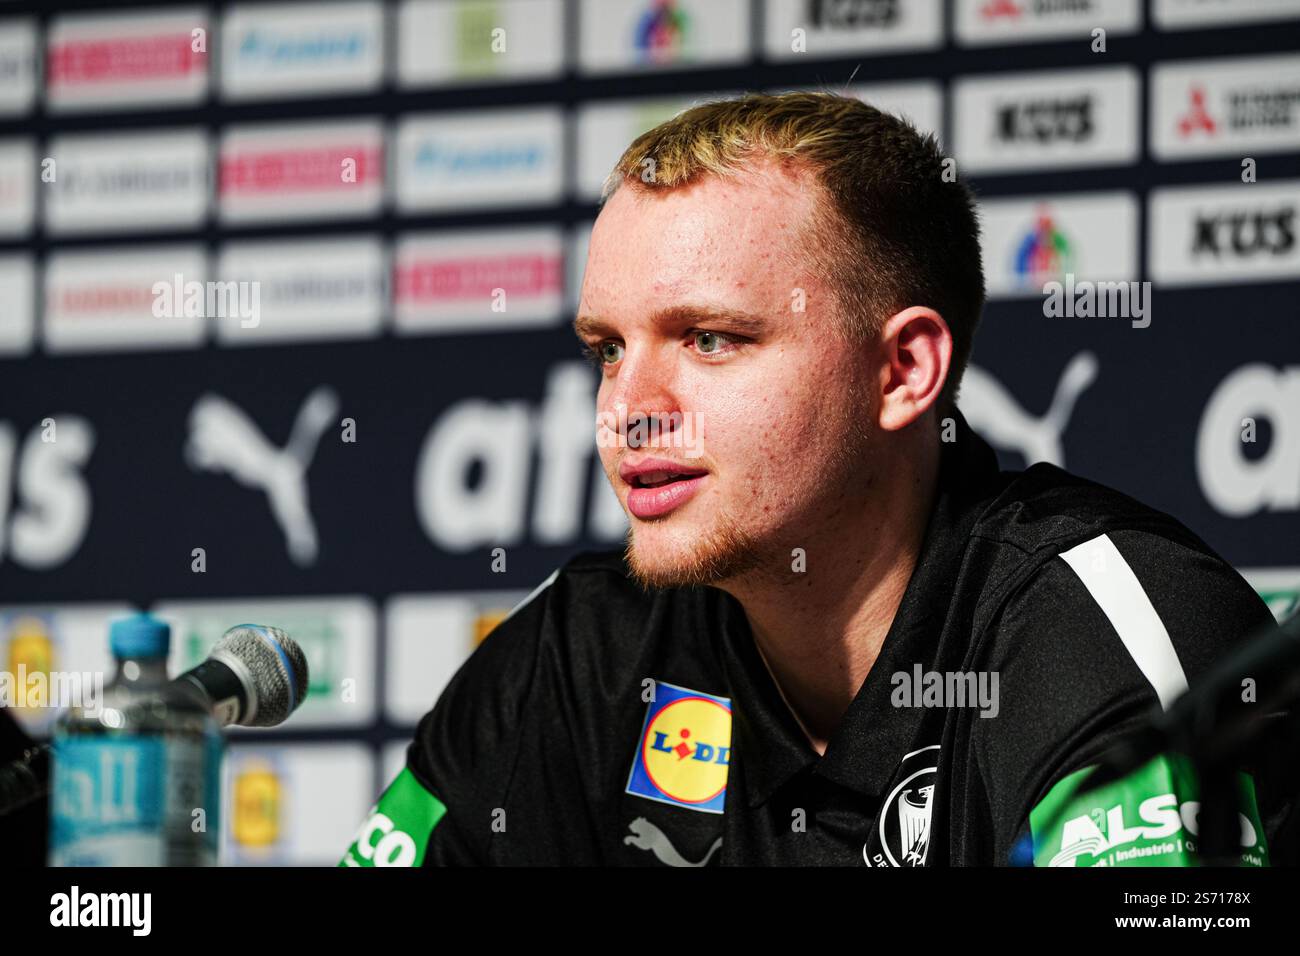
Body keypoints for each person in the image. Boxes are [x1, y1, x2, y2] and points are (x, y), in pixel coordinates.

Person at [342, 91, 1290, 867]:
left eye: (710, 339)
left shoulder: (1096, 625)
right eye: (607, 349)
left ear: (903, 372)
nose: (628, 409)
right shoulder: (591, 645)